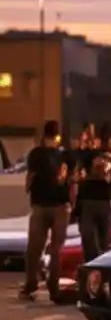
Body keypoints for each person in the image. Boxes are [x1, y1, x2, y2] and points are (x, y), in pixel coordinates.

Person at [21, 121, 73, 300]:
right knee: (56, 248)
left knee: (34, 247)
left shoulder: (35, 154)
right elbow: (71, 180)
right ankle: (54, 286)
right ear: (58, 136)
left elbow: (30, 177)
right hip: (60, 205)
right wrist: (71, 203)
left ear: (44, 135)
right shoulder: (65, 155)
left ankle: (30, 284)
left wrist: (29, 190)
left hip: (40, 204)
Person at [73, 139, 111, 263]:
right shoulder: (105, 180)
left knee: (93, 243)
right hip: (97, 203)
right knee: (98, 243)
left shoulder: (87, 181)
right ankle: (98, 271)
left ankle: (96, 270)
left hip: (93, 203)